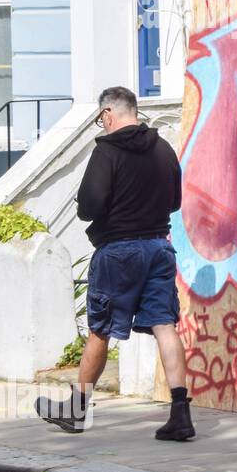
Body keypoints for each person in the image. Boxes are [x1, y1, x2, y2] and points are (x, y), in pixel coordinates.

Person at [34, 86, 194, 440]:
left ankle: (78, 411)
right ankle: (181, 413)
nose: (101, 124)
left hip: (118, 252)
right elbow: (175, 201)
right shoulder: (164, 149)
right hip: (158, 246)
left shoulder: (107, 152)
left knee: (100, 330)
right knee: (165, 325)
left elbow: (89, 205)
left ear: (108, 114)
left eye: (100, 118)